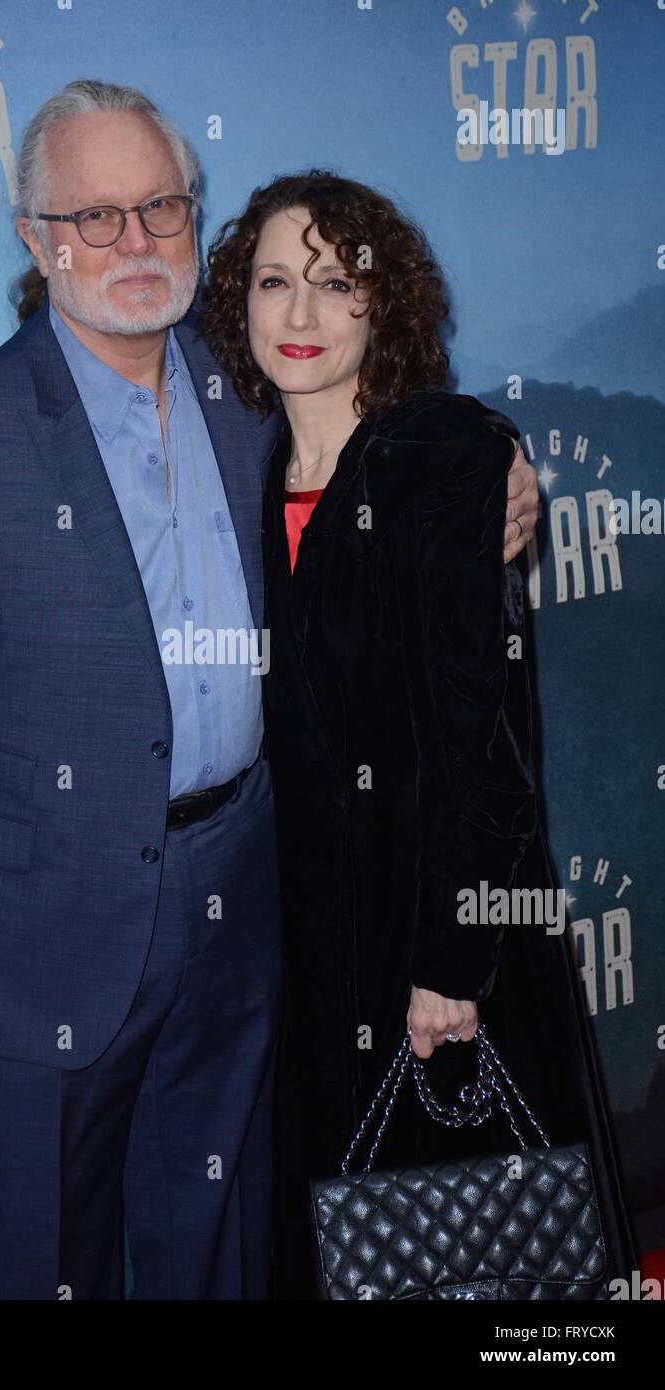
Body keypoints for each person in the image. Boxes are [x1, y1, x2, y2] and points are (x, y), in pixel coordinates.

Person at [0, 83, 538, 1301]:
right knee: (49, 1263)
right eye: (93, 216)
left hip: (242, 903)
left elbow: (389, 417)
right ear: (33, 238)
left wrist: (501, 461)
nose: (133, 241)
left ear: (190, 211)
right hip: (37, 935)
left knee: (219, 1252)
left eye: (158, 206)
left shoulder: (243, 389)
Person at [200, 169, 638, 1299]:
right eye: (274, 282)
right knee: (353, 1245)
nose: (298, 316)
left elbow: (480, 732)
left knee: (470, 1246)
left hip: (436, 928)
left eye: (334, 286)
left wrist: (449, 963)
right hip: (309, 938)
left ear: (381, 306)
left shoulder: (437, 456)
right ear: (235, 302)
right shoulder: (241, 470)